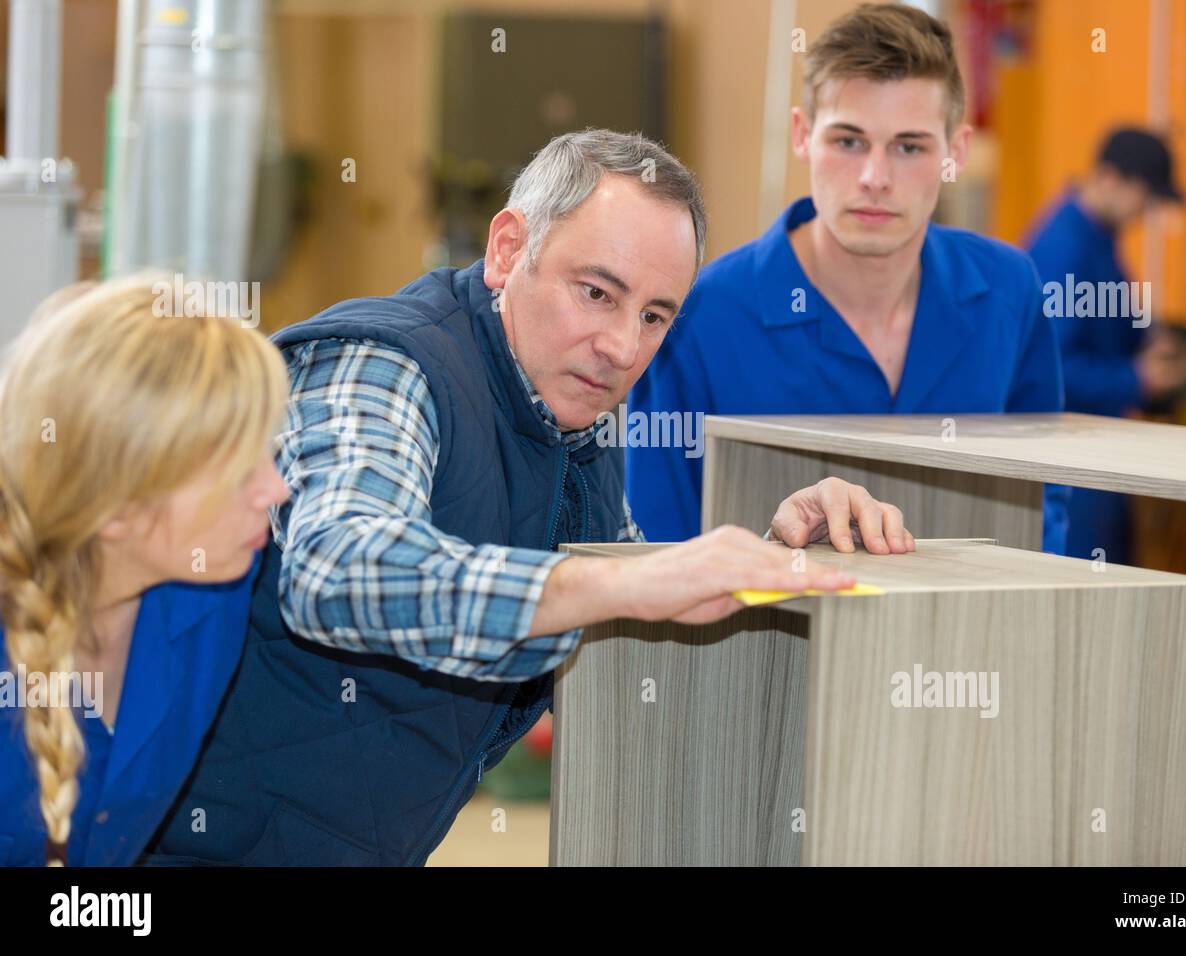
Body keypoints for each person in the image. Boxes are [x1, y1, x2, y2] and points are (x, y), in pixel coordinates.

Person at [144, 128, 913, 866]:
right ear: (508, 250)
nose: (621, 347)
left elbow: (627, 602)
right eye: (595, 292)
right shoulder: (384, 365)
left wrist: (772, 556)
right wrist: (622, 582)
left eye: (654, 317)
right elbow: (338, 566)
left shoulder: (574, 429)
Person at [626, 2, 1068, 553]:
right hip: (768, 638)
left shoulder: (1009, 291)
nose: (875, 178)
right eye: (848, 141)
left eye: (909, 146)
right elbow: (656, 543)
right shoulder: (703, 316)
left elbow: (1045, 501)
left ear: (954, 152)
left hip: (972, 634)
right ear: (802, 134)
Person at [0, 276, 290, 866]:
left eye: (269, 449)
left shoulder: (218, 583)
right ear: (115, 507)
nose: (276, 488)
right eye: (237, 470)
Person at [1024, 127, 1186, 563]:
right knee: (1084, 589)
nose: (1147, 211)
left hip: (1099, 449)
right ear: (1110, 178)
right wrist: (1137, 378)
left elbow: (1108, 321)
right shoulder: (1064, 248)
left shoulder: (1099, 238)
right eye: (1145, 196)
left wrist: (1151, 337)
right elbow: (1053, 370)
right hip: (1069, 459)